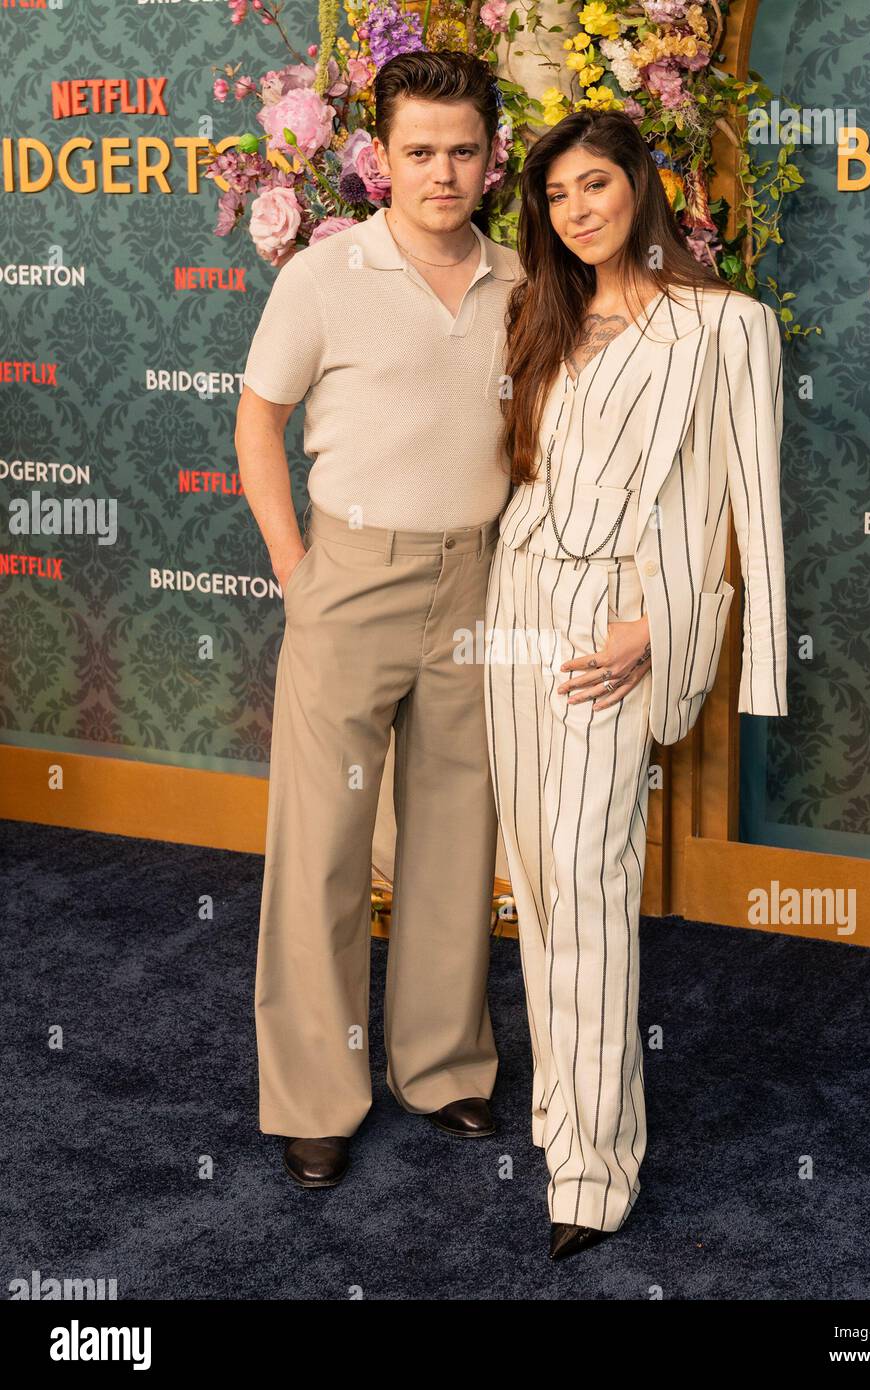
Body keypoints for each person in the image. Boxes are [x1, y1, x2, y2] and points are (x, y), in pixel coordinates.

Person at [483, 110, 788, 1259]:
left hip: (618, 629)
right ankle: (558, 1121)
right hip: (518, 611)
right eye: (557, 195)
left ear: (642, 185)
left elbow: (745, 508)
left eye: (596, 184)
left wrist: (665, 627)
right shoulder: (542, 313)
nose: (578, 210)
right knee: (541, 884)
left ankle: (596, 1168)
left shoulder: (726, 326)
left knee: (593, 882)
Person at [235, 51, 520, 1189]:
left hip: (481, 580)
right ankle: (314, 1095)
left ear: (491, 156)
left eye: (462, 151)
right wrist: (296, 568)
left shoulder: (523, 279)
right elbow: (259, 424)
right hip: (350, 577)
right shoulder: (323, 275)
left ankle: (446, 1068)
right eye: (419, 152)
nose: (441, 173)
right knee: (322, 849)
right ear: (377, 159)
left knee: (457, 835)